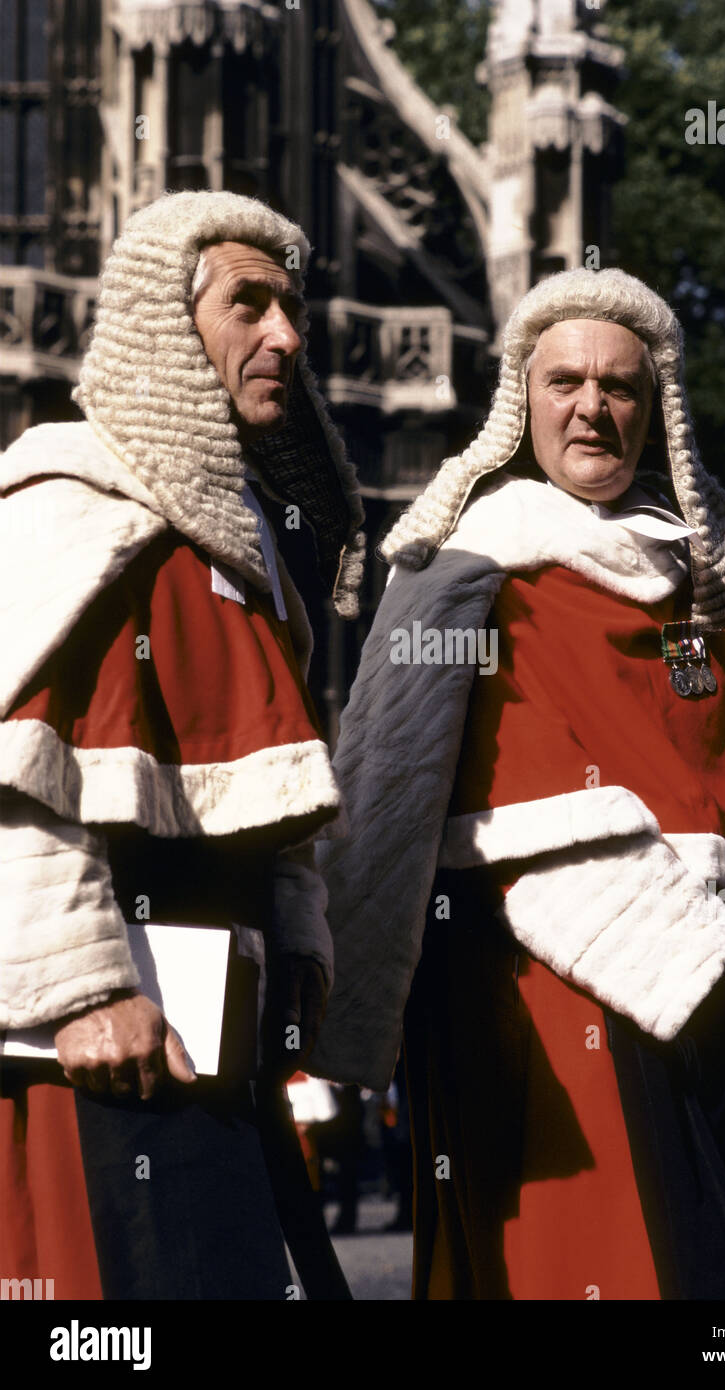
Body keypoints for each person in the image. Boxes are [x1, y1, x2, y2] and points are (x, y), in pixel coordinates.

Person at [306, 268, 725, 1300]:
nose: (591, 407)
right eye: (564, 382)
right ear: (523, 398)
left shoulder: (704, 583)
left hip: (721, 992)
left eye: (618, 387)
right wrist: (717, 964)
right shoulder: (471, 571)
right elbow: (517, 802)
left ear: (655, 407)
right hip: (555, 999)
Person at [0, 190, 364, 1299]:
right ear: (167, 322)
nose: (286, 338)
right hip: (98, 1046)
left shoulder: (248, 545)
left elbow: (270, 793)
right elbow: (19, 775)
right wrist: (78, 992)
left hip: (217, 1035)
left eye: (293, 310)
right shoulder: (64, 501)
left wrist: (299, 945)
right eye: (248, 303)